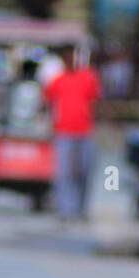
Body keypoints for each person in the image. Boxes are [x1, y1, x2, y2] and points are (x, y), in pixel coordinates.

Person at [44, 44, 101, 224]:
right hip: (64, 132)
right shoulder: (58, 80)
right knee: (65, 173)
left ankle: (81, 208)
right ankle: (65, 211)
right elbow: (48, 102)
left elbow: (97, 102)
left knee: (84, 172)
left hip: (85, 132)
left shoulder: (88, 78)